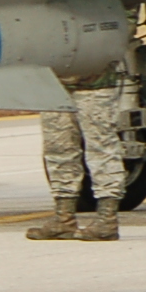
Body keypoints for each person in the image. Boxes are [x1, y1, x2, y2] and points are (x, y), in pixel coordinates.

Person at [25, 61, 131, 241]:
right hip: (55, 85)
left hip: (95, 84)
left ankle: (107, 220)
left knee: (101, 149)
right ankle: (63, 219)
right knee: (58, 149)